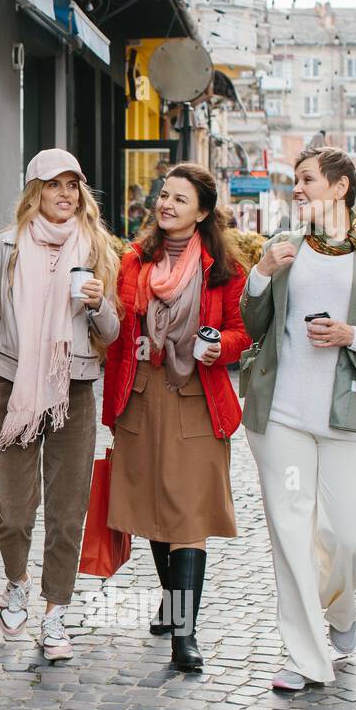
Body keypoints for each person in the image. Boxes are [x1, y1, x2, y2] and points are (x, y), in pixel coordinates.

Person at [241, 146, 356, 692]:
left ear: (340, 187)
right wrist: (259, 276)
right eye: (296, 181)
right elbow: (254, 324)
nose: (297, 189)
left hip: (352, 415)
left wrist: (353, 336)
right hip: (283, 416)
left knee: (353, 537)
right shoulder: (283, 247)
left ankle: (339, 613)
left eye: (307, 180)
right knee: (291, 533)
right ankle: (303, 656)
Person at [0, 149, 121, 661]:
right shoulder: (7, 245)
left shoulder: (95, 245)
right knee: (14, 506)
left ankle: (55, 613)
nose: (66, 194)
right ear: (35, 191)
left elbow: (112, 334)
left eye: (73, 185)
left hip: (74, 384)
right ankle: (16, 582)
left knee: (69, 508)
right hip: (14, 383)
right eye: (55, 185)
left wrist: (98, 305)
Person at [102, 163, 251, 672]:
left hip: (196, 398)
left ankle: (184, 636)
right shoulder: (133, 262)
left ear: (203, 212)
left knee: (186, 515)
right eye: (164, 195)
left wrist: (217, 349)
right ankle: (172, 600)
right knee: (152, 511)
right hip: (141, 396)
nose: (166, 205)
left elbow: (241, 332)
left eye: (179, 199)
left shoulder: (224, 271)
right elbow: (117, 332)